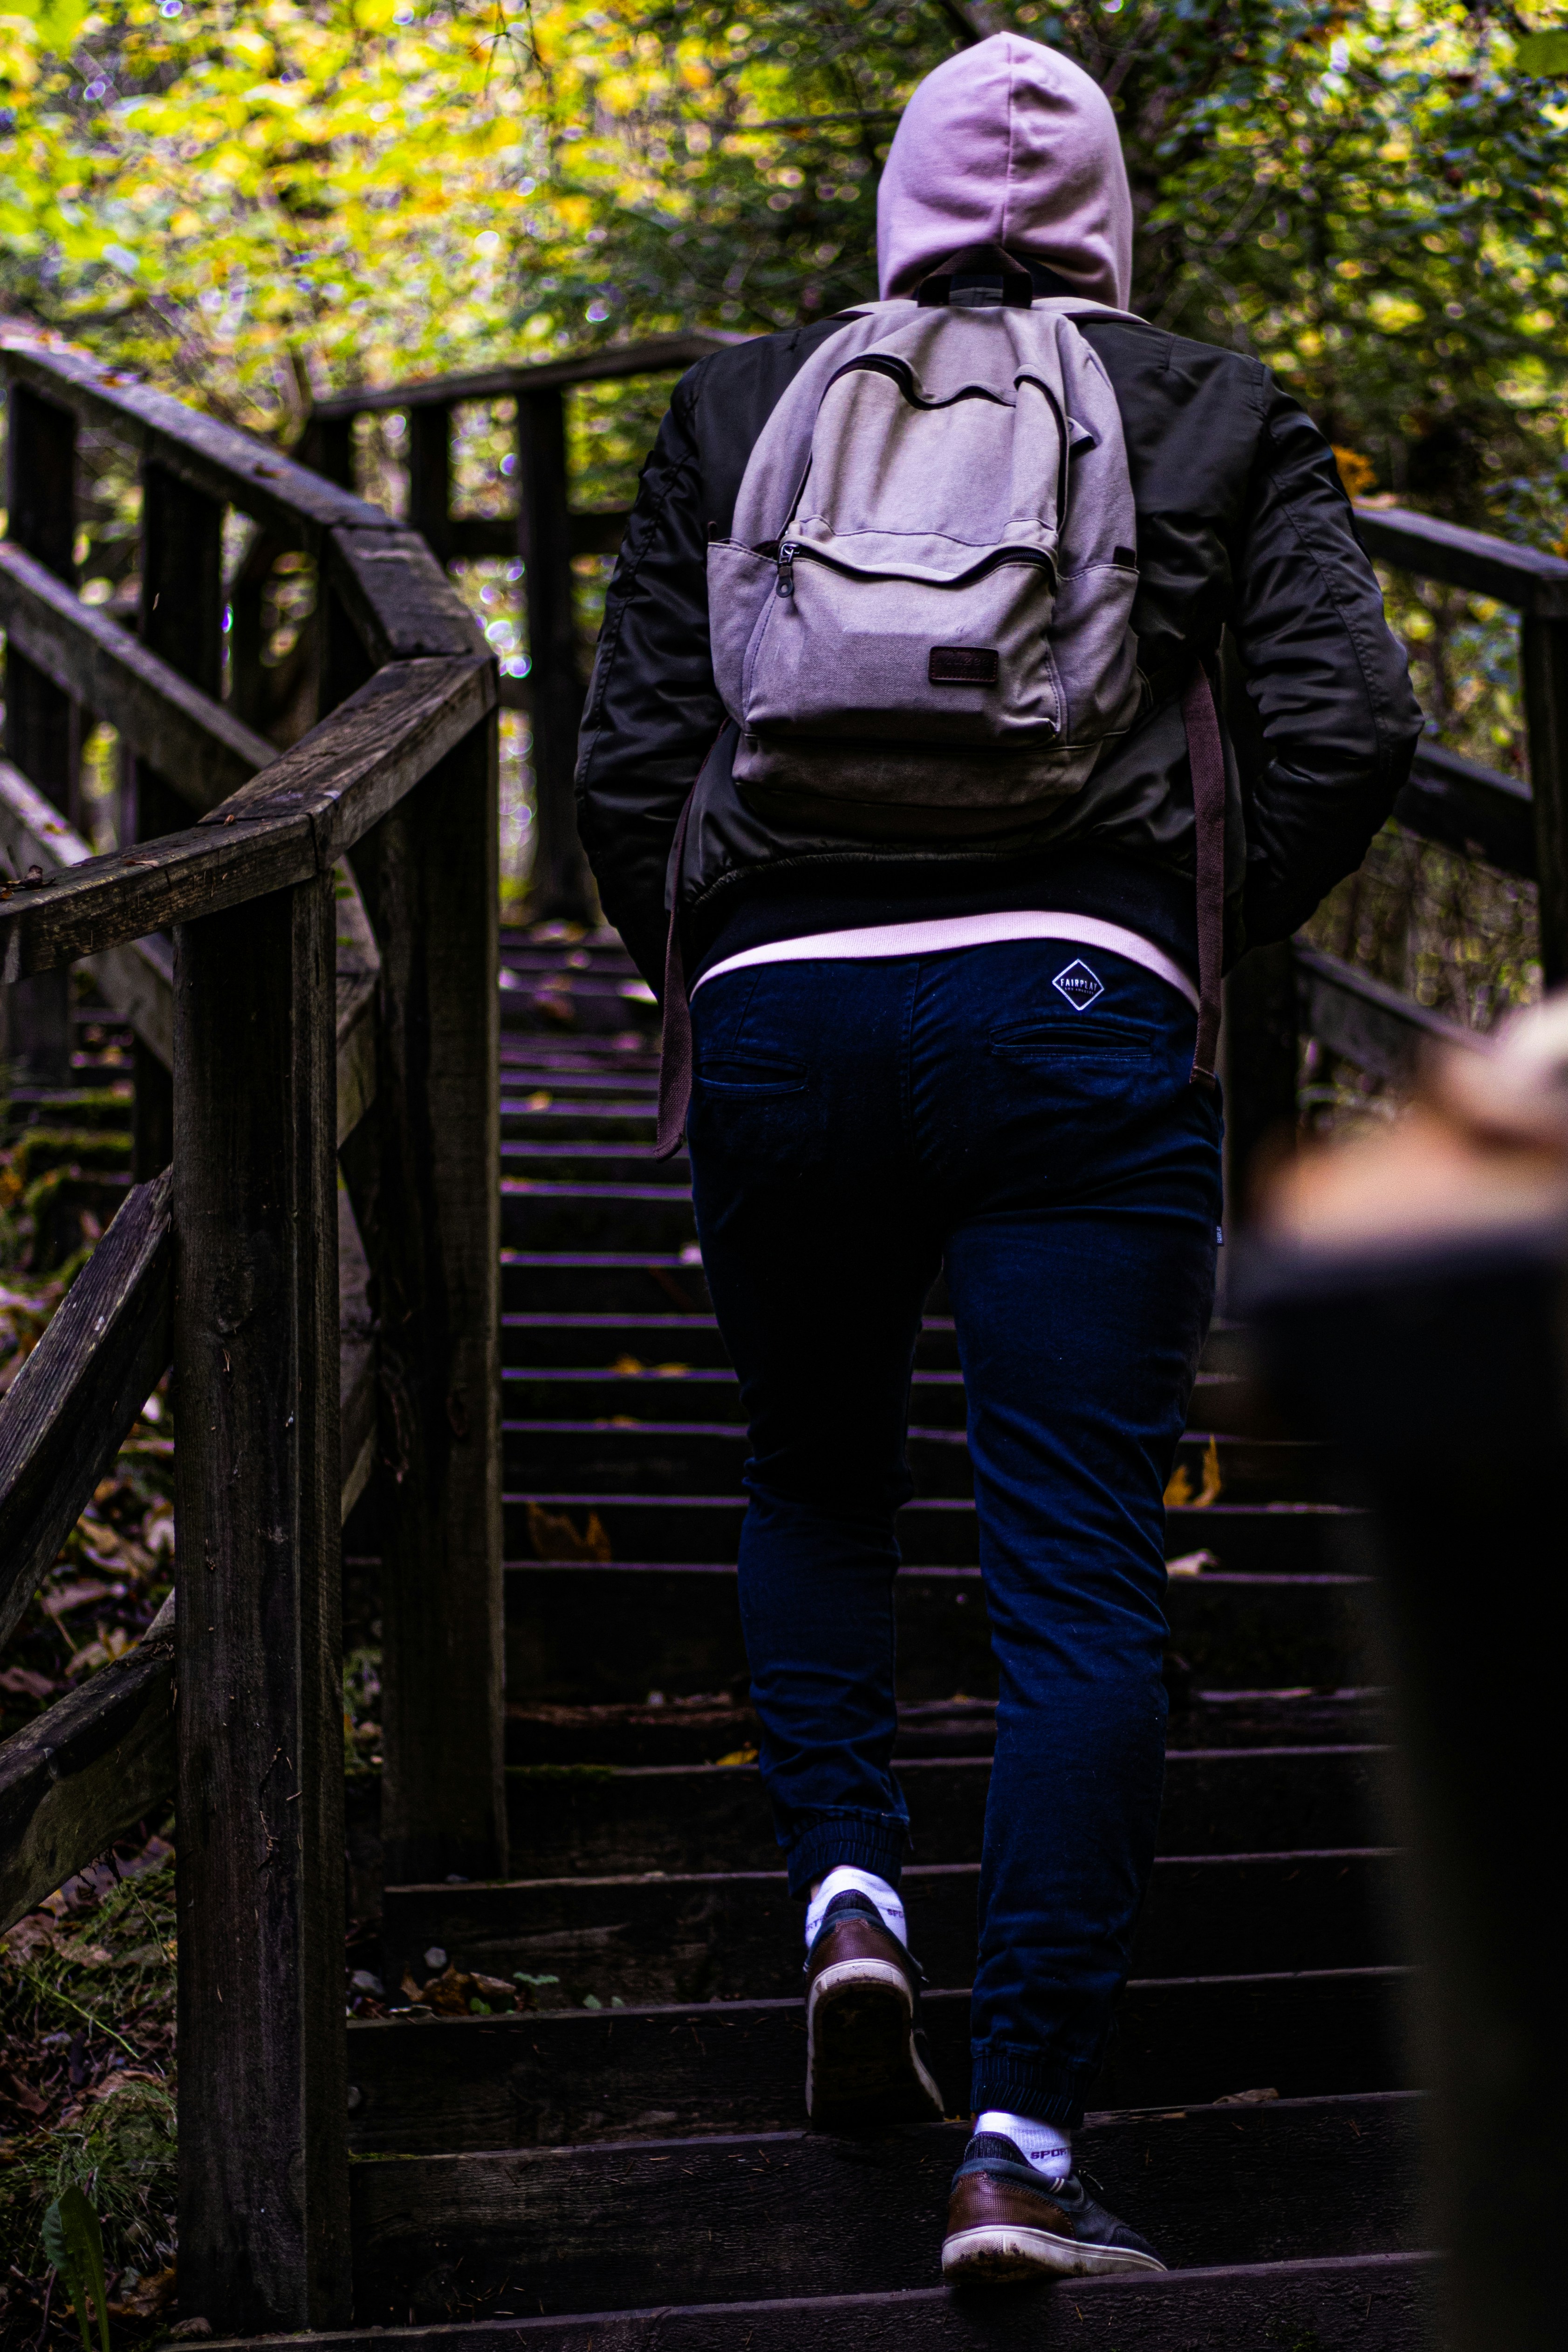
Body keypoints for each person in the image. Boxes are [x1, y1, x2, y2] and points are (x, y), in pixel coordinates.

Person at [575, 31, 1422, 2285]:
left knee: (811, 1481)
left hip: (781, 1010)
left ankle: (845, 1889)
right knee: (1072, 1577)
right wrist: (1163, 938)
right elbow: (1350, 728)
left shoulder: (742, 399)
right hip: (1071, 1013)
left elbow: (630, 753)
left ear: (896, 202)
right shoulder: (1215, 408)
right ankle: (1020, 2146)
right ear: (1112, 211)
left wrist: (727, 974)